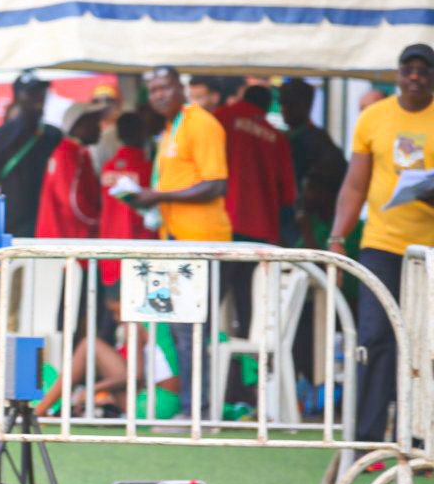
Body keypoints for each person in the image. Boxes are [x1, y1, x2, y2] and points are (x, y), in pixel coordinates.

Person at [326, 43, 434, 449]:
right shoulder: (374, 117)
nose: (416, 77)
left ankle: (422, 439)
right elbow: (355, 184)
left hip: (430, 251)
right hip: (382, 244)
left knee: (427, 343)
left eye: (425, 70)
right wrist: (337, 239)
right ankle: (368, 441)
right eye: (409, 69)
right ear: (397, 74)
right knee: (376, 338)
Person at [128, 65, 232, 418]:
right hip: (174, 240)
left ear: (180, 87)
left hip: (201, 240)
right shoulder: (172, 127)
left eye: (165, 87)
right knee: (178, 328)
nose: (159, 94)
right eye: (153, 89)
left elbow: (217, 183)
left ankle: (196, 411)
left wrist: (157, 195)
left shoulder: (200, 123)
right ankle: (191, 408)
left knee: (190, 330)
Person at [218, 83, 294, 337]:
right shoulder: (277, 137)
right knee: (244, 299)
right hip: (259, 229)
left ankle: (205, 365)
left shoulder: (221, 118)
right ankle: (244, 369)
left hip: (225, 221)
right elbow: (288, 193)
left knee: (211, 296)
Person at [34, 320, 181, 421]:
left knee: (88, 345)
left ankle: (40, 410)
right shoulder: (155, 322)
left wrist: (91, 390)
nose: (115, 318)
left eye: (114, 311)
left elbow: (135, 376)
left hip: (155, 405)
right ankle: (46, 408)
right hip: (164, 400)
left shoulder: (136, 323)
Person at [0, 71, 61, 239]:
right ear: (18, 96)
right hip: (10, 226)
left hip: (46, 223)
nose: (38, 97)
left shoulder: (53, 135)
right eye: (31, 92)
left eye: (41, 92)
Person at [97, 111, 155, 293]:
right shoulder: (148, 168)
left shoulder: (108, 167)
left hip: (110, 247)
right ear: (143, 133)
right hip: (140, 247)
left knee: (116, 308)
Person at [35, 102, 103, 240]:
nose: (99, 129)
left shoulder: (75, 152)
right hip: (64, 241)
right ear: (79, 125)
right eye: (94, 123)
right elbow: (73, 202)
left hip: (65, 240)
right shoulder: (68, 153)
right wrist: (100, 221)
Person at [279, 78, 335, 221]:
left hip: (306, 219)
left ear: (306, 105)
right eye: (282, 104)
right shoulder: (283, 137)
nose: (284, 110)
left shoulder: (316, 139)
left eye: (290, 105)